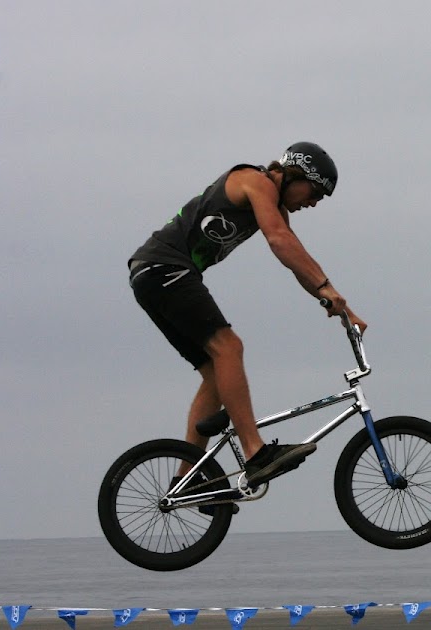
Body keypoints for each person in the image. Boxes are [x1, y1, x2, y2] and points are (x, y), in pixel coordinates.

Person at [128, 141, 368, 489]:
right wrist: (326, 286)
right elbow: (279, 240)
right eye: (314, 192)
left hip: (153, 276)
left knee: (216, 373)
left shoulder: (272, 204)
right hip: (164, 269)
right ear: (293, 175)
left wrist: (344, 308)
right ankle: (254, 453)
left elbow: (294, 260)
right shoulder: (254, 181)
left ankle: (189, 480)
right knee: (230, 347)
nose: (313, 203)